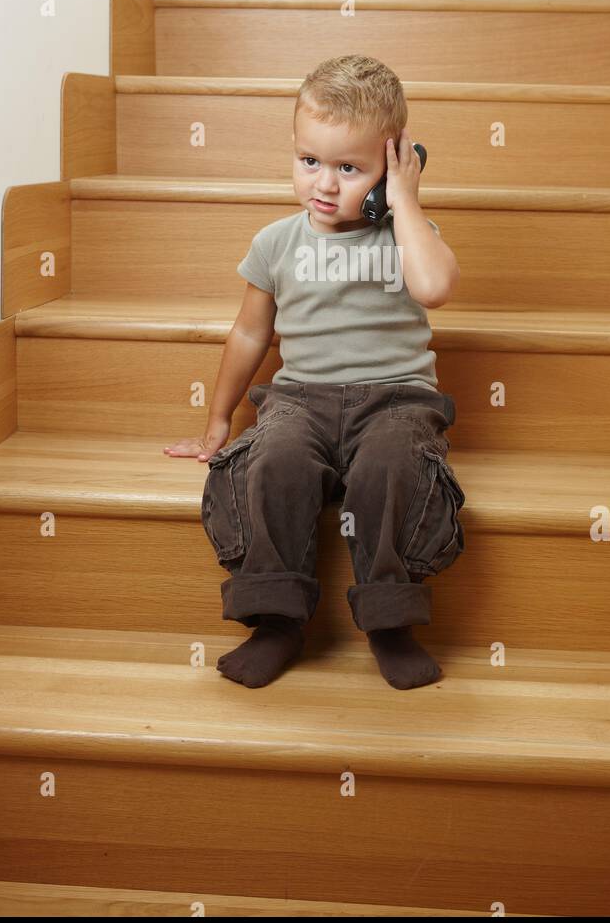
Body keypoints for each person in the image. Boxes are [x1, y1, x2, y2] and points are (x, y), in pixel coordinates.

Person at [164, 54, 466, 690]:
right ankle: (275, 619)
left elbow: (435, 286)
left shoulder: (406, 236)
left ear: (392, 165)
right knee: (272, 462)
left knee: (389, 465)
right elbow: (251, 332)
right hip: (300, 398)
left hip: (396, 401)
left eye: (350, 168)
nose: (324, 184)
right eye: (310, 161)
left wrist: (404, 201)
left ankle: (390, 619)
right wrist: (219, 417)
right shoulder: (277, 243)